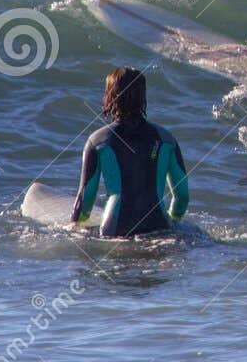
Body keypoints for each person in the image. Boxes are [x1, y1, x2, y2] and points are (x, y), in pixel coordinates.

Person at [71, 67, 189, 238]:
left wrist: (75, 225)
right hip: (159, 229)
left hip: (116, 231)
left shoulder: (97, 140)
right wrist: (173, 220)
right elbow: (182, 196)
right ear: (143, 98)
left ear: (110, 96)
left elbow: (86, 199)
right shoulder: (166, 139)